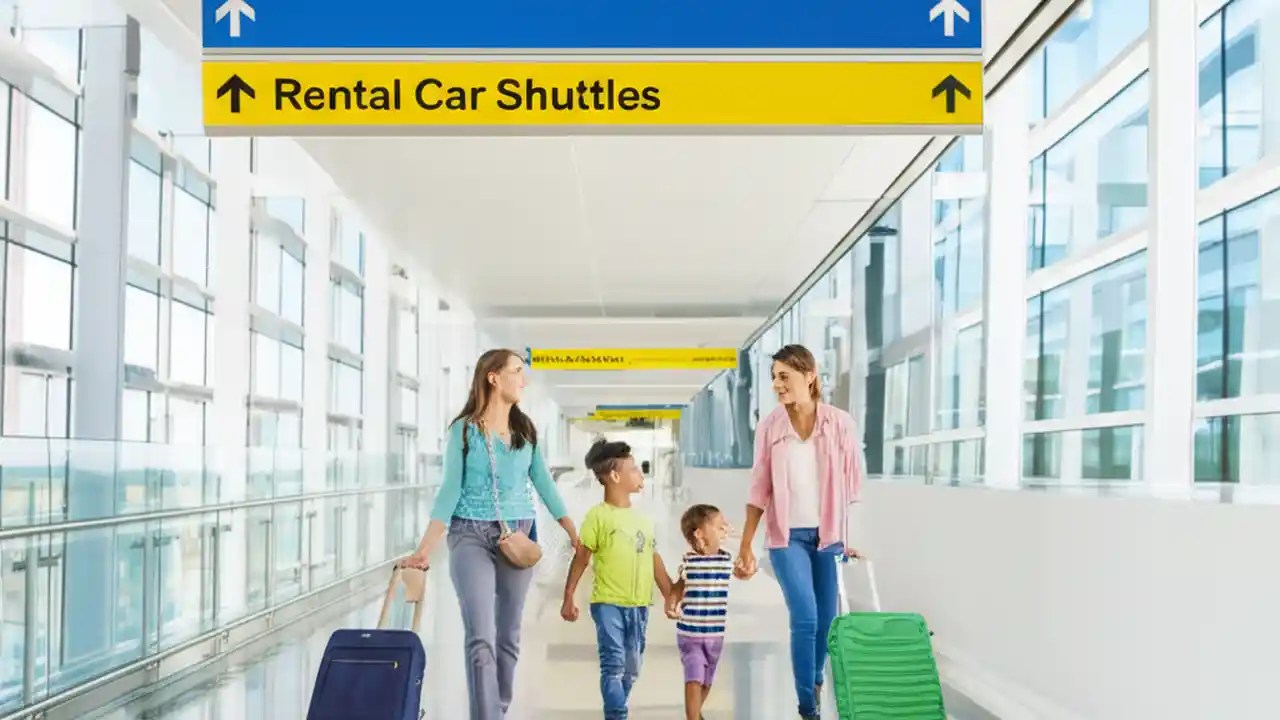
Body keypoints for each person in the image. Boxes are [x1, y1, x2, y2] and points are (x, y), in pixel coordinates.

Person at [402, 349, 579, 720]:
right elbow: (449, 490)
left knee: (508, 636)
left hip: (519, 534)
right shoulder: (463, 430)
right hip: (469, 535)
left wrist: (567, 524)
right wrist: (424, 550)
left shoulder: (526, 430)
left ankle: (497, 708)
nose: (523, 380)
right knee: (480, 637)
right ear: (493, 377)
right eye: (517, 371)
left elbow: (542, 480)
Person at [734, 344, 864, 720]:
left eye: (784, 376)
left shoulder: (840, 423)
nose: (777, 384)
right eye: (774, 377)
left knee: (826, 622)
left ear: (809, 375)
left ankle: (815, 680)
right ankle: (807, 706)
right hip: (785, 537)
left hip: (828, 538)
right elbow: (759, 488)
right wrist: (745, 544)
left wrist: (849, 535)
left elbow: (853, 486)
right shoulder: (770, 426)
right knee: (805, 617)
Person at [561, 439, 676, 720]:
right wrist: (569, 596)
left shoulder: (643, 521)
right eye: (634, 469)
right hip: (607, 603)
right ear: (614, 476)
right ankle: (616, 714)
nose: (640, 475)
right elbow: (581, 559)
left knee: (632, 667)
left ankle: (617, 706)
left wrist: (670, 591)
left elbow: (653, 558)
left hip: (638, 605)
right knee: (613, 664)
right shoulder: (597, 517)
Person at [665, 504, 734, 720]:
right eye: (719, 527)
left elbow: (743, 568)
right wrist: (672, 601)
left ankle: (695, 713)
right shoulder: (690, 562)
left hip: (715, 636)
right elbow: (679, 585)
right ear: (700, 534)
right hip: (690, 635)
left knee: (706, 682)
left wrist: (742, 541)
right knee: (693, 678)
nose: (725, 530)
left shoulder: (726, 560)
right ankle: (692, 717)